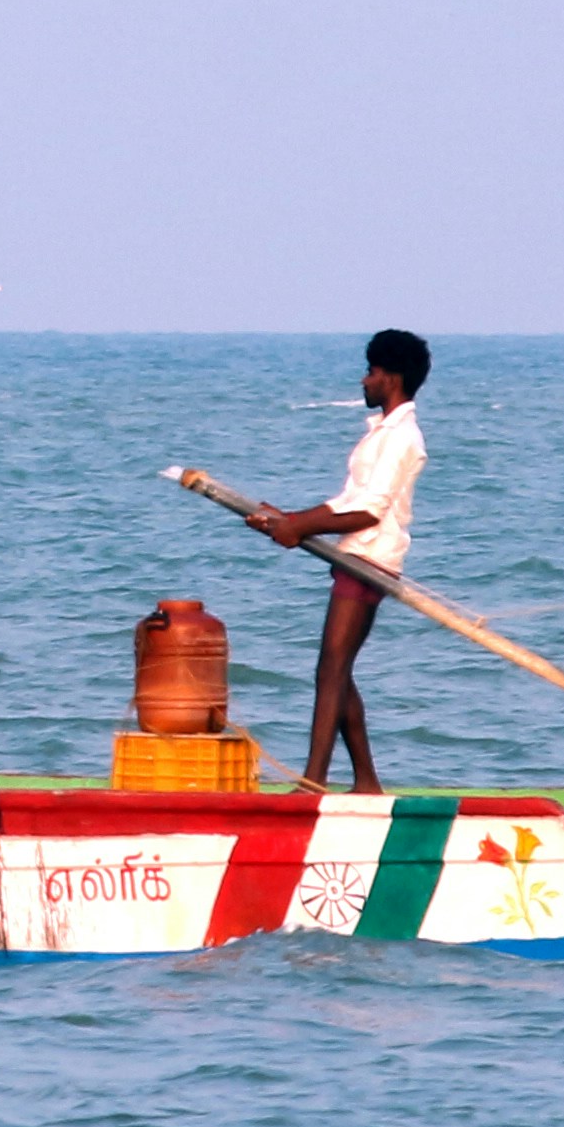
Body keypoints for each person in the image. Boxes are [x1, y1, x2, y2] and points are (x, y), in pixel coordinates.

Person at [241, 327, 431, 792]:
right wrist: (287, 519)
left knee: (331, 668)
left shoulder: (401, 437)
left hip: (371, 559)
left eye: (371, 372)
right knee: (337, 668)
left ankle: (313, 782)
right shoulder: (382, 434)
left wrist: (300, 528)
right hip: (357, 557)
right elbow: (349, 497)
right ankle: (365, 780)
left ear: (391, 377)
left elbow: (369, 510)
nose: (364, 381)